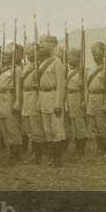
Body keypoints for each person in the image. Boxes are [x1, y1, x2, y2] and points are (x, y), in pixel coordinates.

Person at [36, 36, 66, 166]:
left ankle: (57, 159)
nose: (41, 48)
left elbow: (60, 84)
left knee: (56, 129)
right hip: (43, 97)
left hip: (53, 97)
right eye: (40, 45)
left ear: (51, 46)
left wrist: (58, 103)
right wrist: (39, 101)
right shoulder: (42, 63)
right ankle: (50, 157)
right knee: (47, 130)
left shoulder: (57, 62)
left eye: (44, 45)